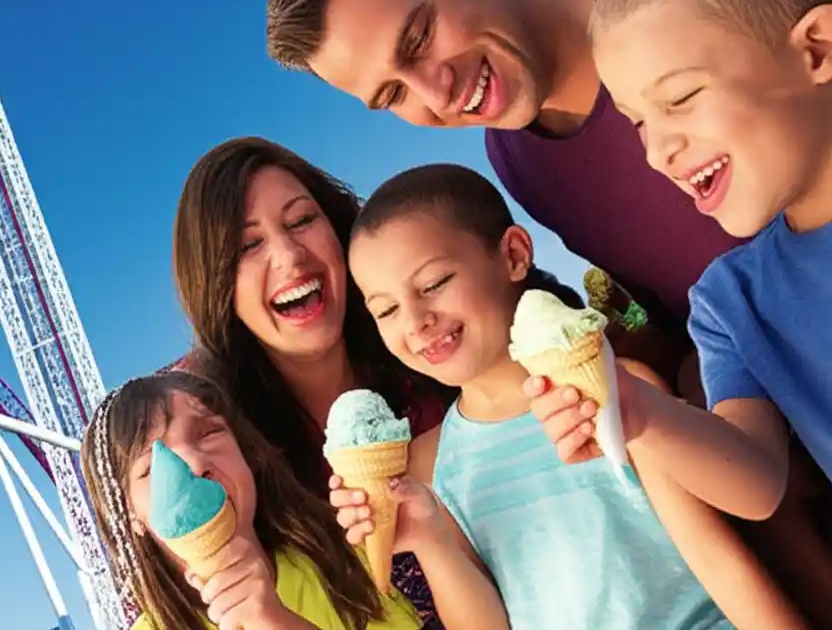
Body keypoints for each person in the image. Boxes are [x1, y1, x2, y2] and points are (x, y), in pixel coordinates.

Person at [264, 0, 739, 393]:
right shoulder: (521, 164)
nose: (435, 94)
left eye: (419, 38)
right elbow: (699, 321)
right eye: (393, 96)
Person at [526, 0, 832, 624]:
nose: (659, 149)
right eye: (638, 121)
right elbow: (756, 481)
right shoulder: (730, 305)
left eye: (682, 97)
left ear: (817, 48)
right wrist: (638, 413)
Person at [336, 163, 800, 629]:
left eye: (434, 284)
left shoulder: (620, 389)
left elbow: (720, 562)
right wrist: (428, 540)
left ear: (514, 255)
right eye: (387, 309)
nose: (415, 321)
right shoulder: (427, 465)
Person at [171, 136, 455, 625]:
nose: (289, 255)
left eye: (302, 220)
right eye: (248, 245)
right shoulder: (210, 438)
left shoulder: (432, 344)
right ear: (215, 286)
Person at [80, 370, 430, 629]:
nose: (195, 465)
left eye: (208, 432)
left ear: (246, 453)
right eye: (154, 467)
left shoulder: (337, 556)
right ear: (131, 516)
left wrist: (276, 621)